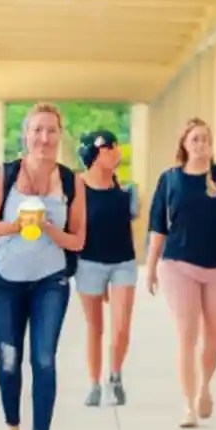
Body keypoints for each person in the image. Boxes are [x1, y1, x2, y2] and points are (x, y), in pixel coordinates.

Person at [0, 102, 87, 430]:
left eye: (51, 130)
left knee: (44, 359)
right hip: (4, 283)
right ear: (26, 135)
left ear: (60, 135)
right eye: (37, 130)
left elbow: (79, 241)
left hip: (50, 282)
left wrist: (51, 229)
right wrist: (14, 227)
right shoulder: (5, 175)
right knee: (9, 362)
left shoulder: (72, 182)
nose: (44, 137)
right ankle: (12, 428)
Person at [146, 117, 216, 428]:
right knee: (187, 333)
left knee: (214, 333)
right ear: (184, 144)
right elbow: (158, 227)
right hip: (178, 265)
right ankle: (188, 404)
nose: (201, 144)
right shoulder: (170, 179)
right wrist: (151, 267)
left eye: (206, 138)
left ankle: (204, 388)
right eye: (195, 139)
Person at [74, 130, 137, 407]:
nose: (115, 152)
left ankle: (115, 377)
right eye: (108, 148)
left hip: (123, 262)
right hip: (89, 263)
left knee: (121, 325)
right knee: (95, 327)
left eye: (115, 147)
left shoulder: (126, 190)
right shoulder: (77, 187)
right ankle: (93, 383)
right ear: (94, 154)